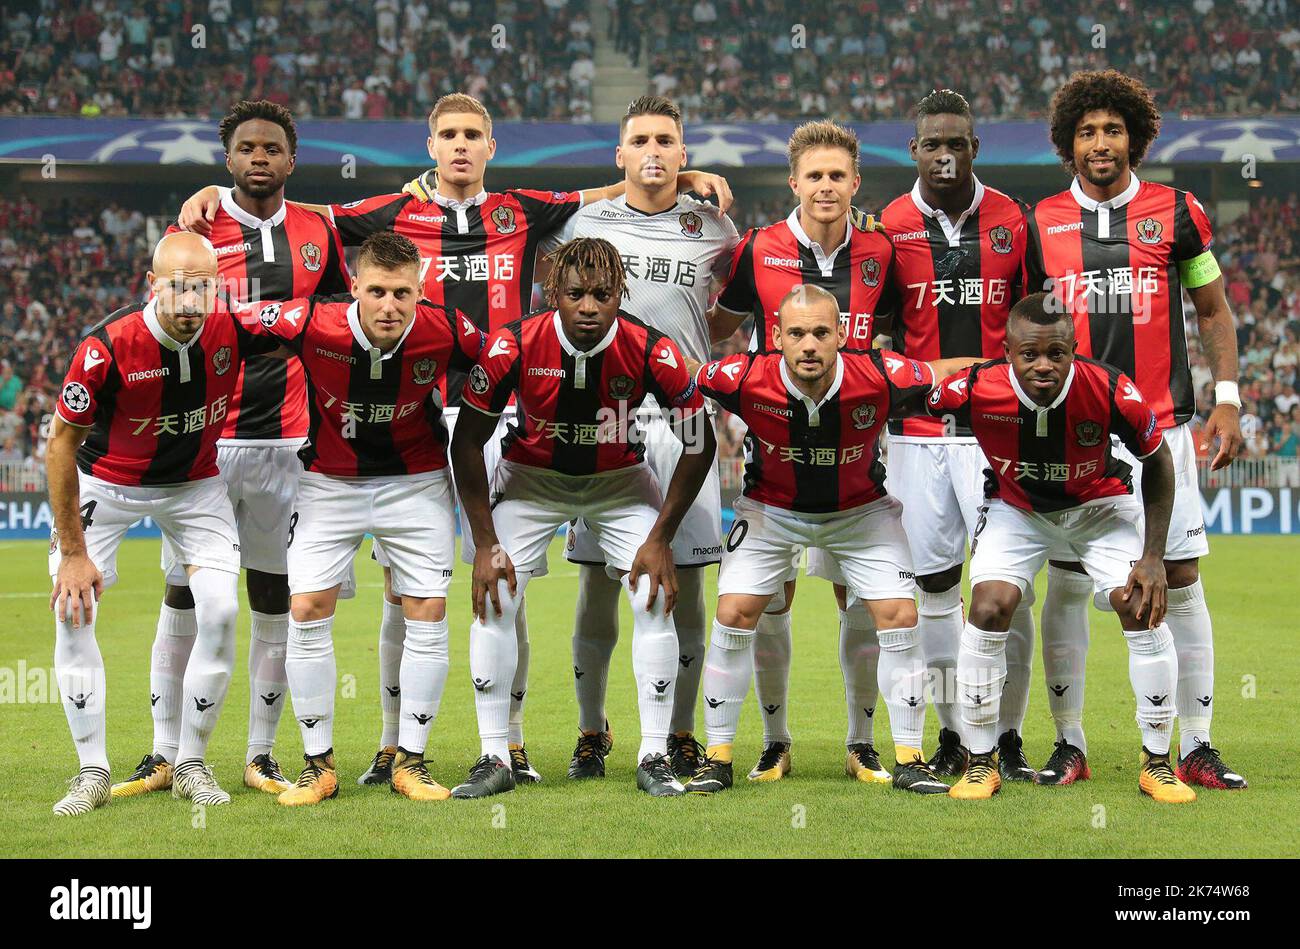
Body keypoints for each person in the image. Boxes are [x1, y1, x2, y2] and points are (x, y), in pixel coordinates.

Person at [178, 92, 732, 787]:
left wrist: (678, 179)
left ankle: (514, 743)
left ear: (490, 146)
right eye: (449, 134)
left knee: (492, 586)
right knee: (409, 594)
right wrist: (219, 196)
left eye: (474, 133)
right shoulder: (394, 214)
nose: (462, 144)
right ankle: (393, 742)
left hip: (508, 411)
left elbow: (615, 185)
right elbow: (300, 214)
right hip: (425, 412)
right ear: (431, 143)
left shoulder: (520, 210)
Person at [115, 100, 351, 802]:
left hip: (286, 442)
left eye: (271, 147)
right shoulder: (193, 228)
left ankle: (261, 754)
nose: (258, 157)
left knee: (271, 594)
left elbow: (336, 323)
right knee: (184, 589)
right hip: (206, 444)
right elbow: (157, 327)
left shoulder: (317, 231)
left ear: (290, 158)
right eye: (246, 146)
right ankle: (165, 752)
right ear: (228, 157)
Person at [1025, 70, 1247, 789]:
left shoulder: (1178, 213)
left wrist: (1230, 398)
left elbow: (1212, 312)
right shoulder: (1040, 222)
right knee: (1064, 584)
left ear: (1135, 138)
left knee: (1178, 577)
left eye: (1112, 129)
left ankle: (1199, 745)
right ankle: (1070, 744)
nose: (1100, 143)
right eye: (1087, 131)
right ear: (1068, 143)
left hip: (1164, 429)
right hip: (1073, 436)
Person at [450, 237, 716, 799]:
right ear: (554, 295)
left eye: (601, 294)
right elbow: (467, 442)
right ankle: (494, 753)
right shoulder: (512, 345)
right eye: (576, 294)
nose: (589, 307)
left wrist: (661, 537)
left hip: (618, 485)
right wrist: (482, 542)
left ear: (621, 293)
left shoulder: (650, 350)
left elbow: (699, 442)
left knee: (651, 593)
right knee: (497, 592)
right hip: (530, 481)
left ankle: (653, 754)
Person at [688, 284, 979, 795]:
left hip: (861, 513)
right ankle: (721, 754)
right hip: (771, 512)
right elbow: (675, 372)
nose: (809, 345)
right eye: (796, 333)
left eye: (821, 333)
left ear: (841, 335)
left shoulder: (880, 374)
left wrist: (1016, 366)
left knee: (898, 614)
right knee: (734, 612)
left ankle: (907, 757)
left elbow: (947, 369)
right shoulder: (741, 376)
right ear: (774, 336)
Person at [538, 95, 740, 782]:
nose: (652, 149)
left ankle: (680, 732)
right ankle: (592, 730)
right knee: (598, 584)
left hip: (684, 422)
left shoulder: (714, 226)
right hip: (605, 420)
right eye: (639, 139)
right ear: (619, 154)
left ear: (684, 155)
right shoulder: (581, 223)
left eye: (666, 140)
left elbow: (733, 313)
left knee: (682, 584)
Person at [46, 232, 283, 814]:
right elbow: (58, 445)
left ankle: (191, 763)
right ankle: (92, 771)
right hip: (108, 485)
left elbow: (315, 322)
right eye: (176, 287)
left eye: (200, 288)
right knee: (74, 609)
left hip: (194, 487)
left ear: (217, 289)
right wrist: (74, 551)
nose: (187, 301)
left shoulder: (235, 329)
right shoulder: (106, 347)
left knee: (223, 611)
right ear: (154, 286)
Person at [926, 293, 1194, 803]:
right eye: (1030, 355)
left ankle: (1157, 762)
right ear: (1007, 353)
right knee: (987, 606)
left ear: (1075, 348)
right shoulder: (976, 387)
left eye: (1056, 353)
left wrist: (1154, 556)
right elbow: (909, 398)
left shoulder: (1113, 389)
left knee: (1141, 607)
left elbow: (1158, 461)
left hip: (1100, 511)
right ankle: (981, 762)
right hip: (1017, 512)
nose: (1043, 365)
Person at [247, 231, 483, 806]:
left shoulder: (447, 329)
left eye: (402, 293)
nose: (389, 305)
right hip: (328, 483)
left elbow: (507, 359)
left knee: (426, 610)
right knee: (305, 608)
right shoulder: (312, 323)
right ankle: (317, 765)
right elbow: (227, 326)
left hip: (418, 483)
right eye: (376, 291)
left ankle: (412, 762)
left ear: (420, 292)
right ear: (354, 286)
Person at [708, 119, 898, 784]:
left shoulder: (882, 251)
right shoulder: (758, 249)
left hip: (858, 464)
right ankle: (775, 740)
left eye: (836, 175)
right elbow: (717, 326)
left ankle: (862, 742)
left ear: (855, 183)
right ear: (795, 182)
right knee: (769, 600)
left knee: (860, 599)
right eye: (813, 175)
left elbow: (907, 339)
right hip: (775, 465)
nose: (825, 185)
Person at [875, 89, 1038, 781]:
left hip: (999, 431)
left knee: (1008, 587)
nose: (946, 155)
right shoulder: (887, 225)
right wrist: (923, 370)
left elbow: (1040, 324)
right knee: (936, 588)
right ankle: (951, 731)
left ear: (977, 148)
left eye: (958, 144)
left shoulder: (1013, 220)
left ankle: (1006, 734)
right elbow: (874, 337)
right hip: (915, 435)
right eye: (932, 144)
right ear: (914, 151)